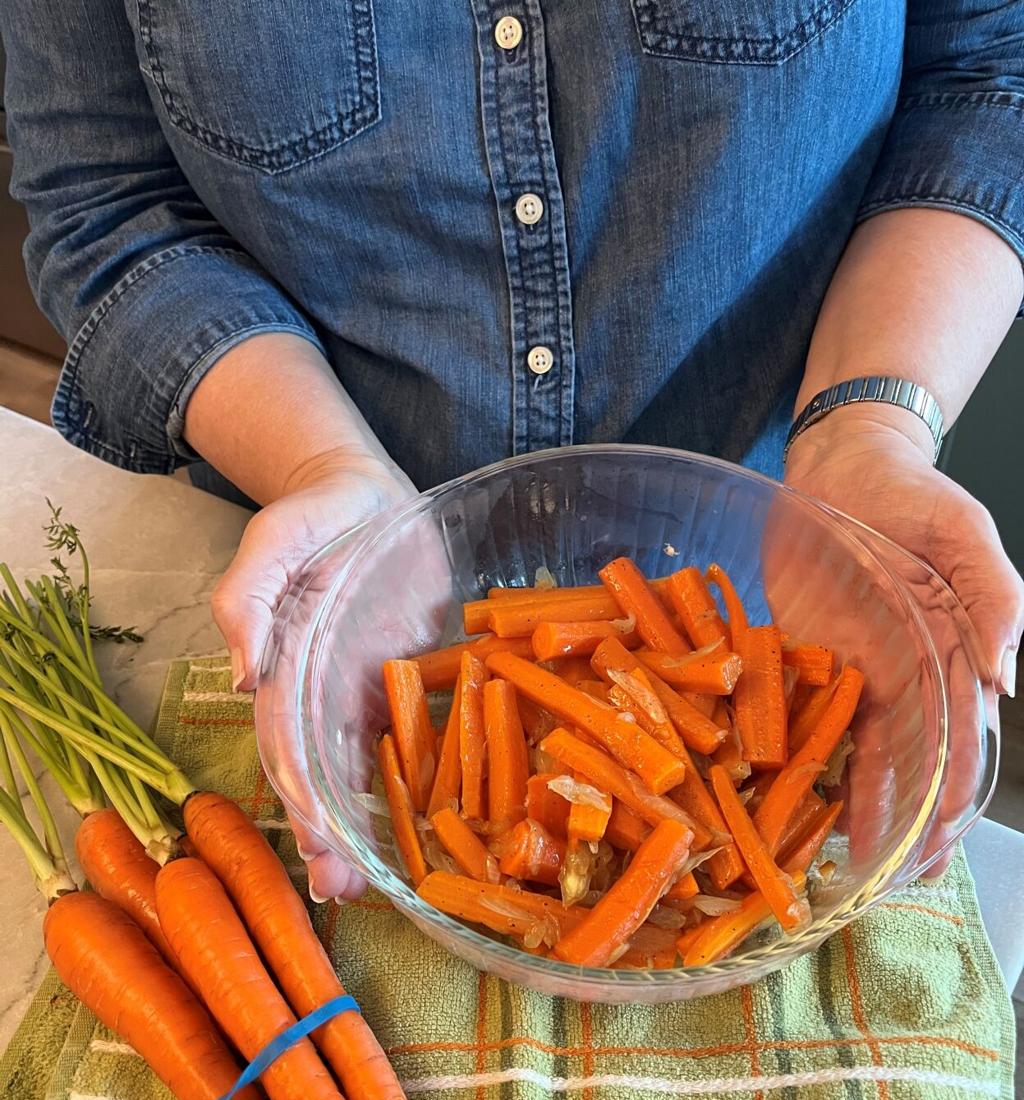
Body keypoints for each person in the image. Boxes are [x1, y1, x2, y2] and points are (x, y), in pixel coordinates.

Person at [3, 2, 1022, 915]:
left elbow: (988, 72)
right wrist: (322, 464)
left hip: (778, 610)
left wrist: (867, 428)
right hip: (337, 591)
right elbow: (110, 201)